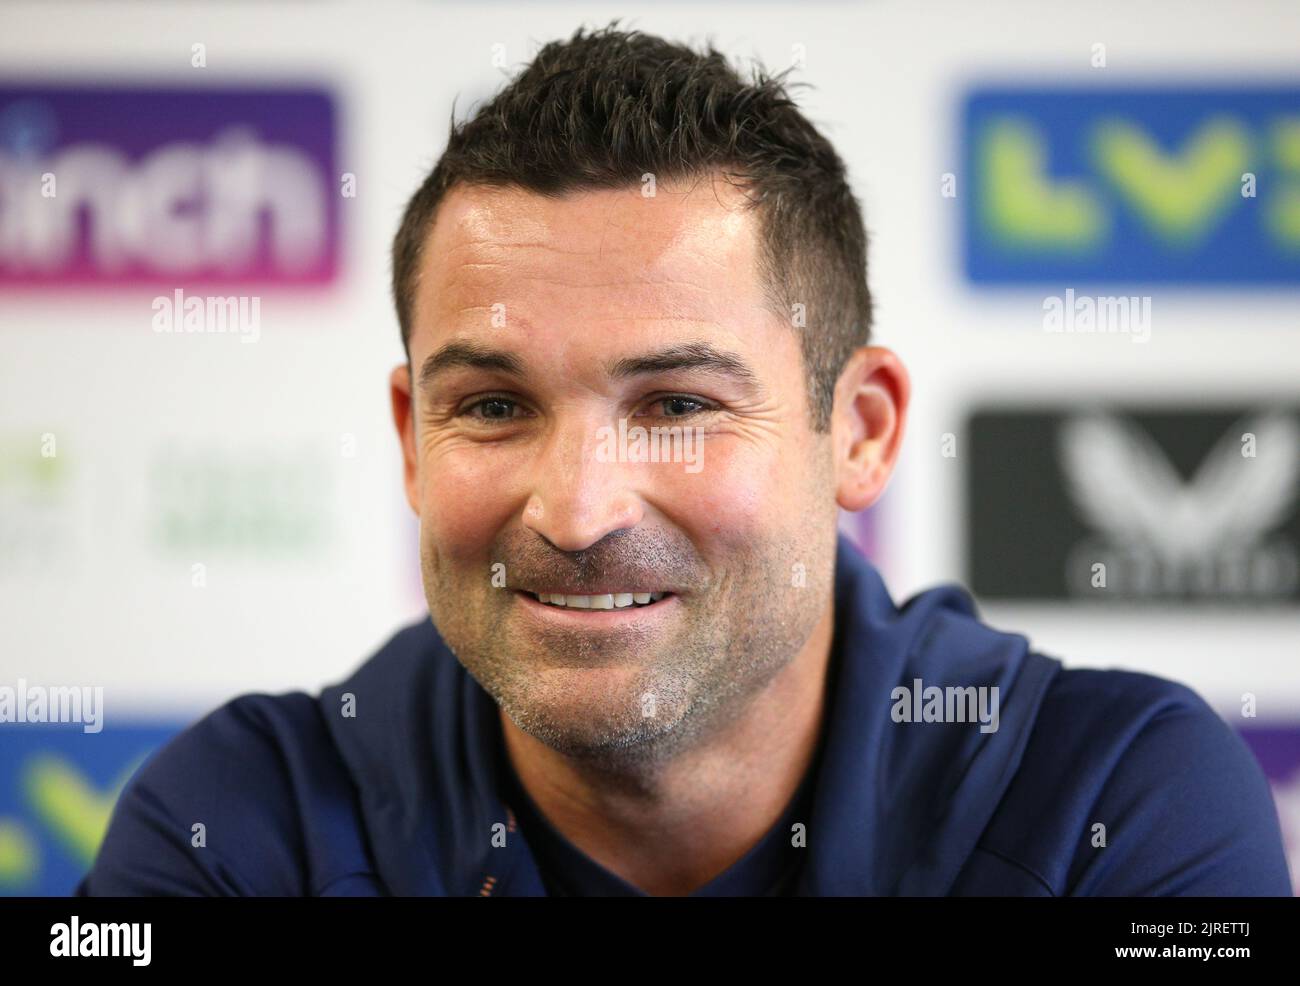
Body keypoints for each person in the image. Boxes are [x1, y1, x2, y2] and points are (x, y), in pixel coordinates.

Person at [77, 23, 1291, 897]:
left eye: (675, 401)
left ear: (857, 429)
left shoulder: (1116, 805)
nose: (576, 509)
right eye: (494, 405)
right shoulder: (230, 829)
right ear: (409, 437)